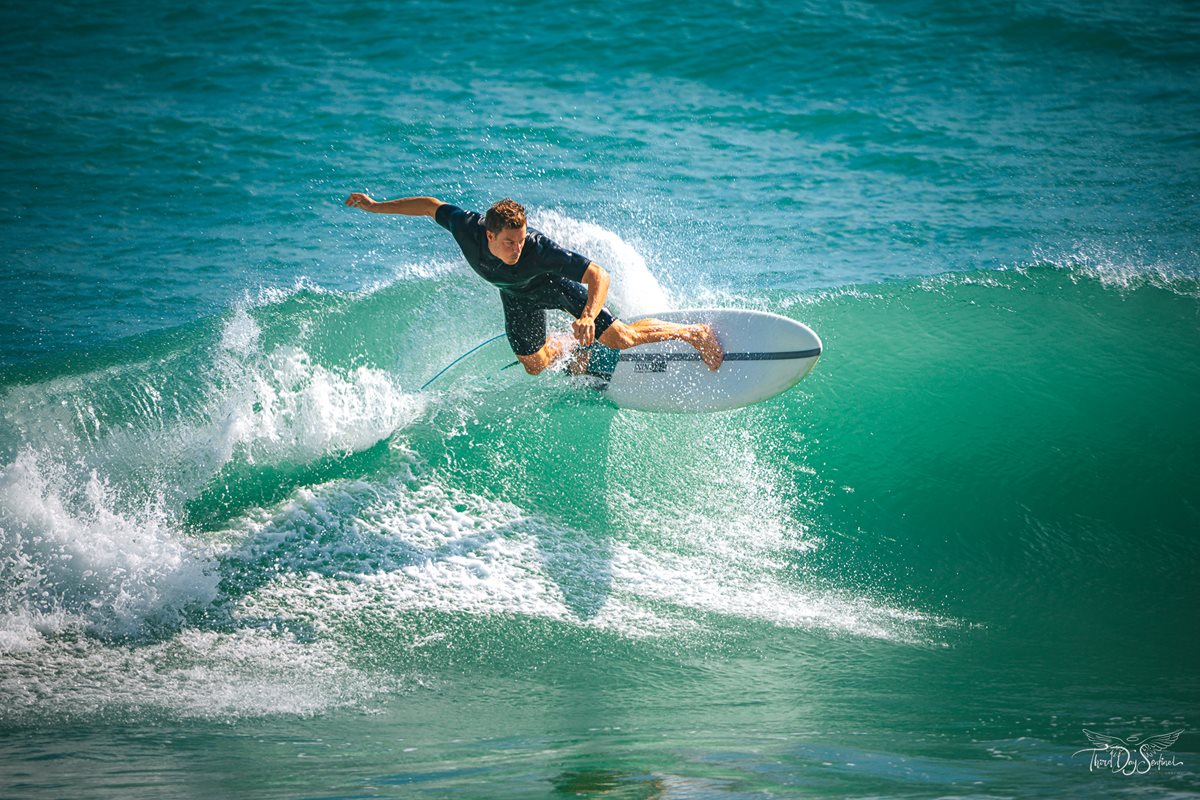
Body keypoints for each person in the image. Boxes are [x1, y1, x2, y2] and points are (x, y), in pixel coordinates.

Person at [343, 194, 724, 375]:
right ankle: (573, 343)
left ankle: (695, 333)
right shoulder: (465, 227)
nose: (517, 248)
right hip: (516, 296)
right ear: (488, 235)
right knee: (535, 365)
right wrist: (376, 208)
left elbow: (598, 274)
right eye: (509, 242)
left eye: (521, 240)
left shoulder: (538, 252)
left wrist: (589, 316)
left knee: (621, 338)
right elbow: (429, 205)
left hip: (551, 288)